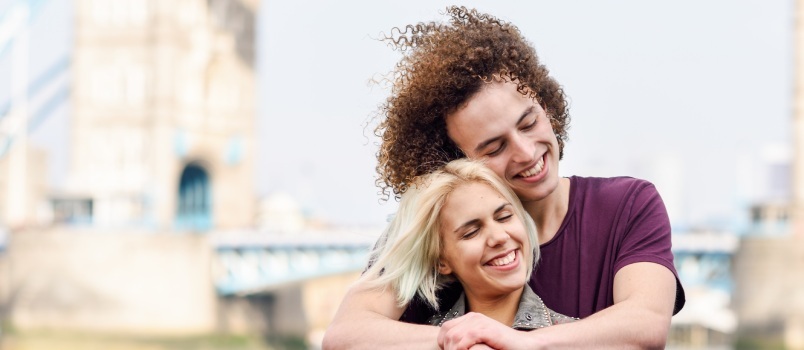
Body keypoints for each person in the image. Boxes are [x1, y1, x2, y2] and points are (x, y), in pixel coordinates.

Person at [324, 6, 684, 349]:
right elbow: (346, 336)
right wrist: (465, 338)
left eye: (529, 123)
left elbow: (645, 325)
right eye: (494, 148)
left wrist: (522, 341)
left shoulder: (627, 205)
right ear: (457, 161)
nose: (527, 152)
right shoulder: (430, 230)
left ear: (546, 105)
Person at [360, 159, 577, 332]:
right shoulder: (416, 339)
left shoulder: (575, 338)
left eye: (504, 217)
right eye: (472, 232)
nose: (499, 237)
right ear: (441, 262)